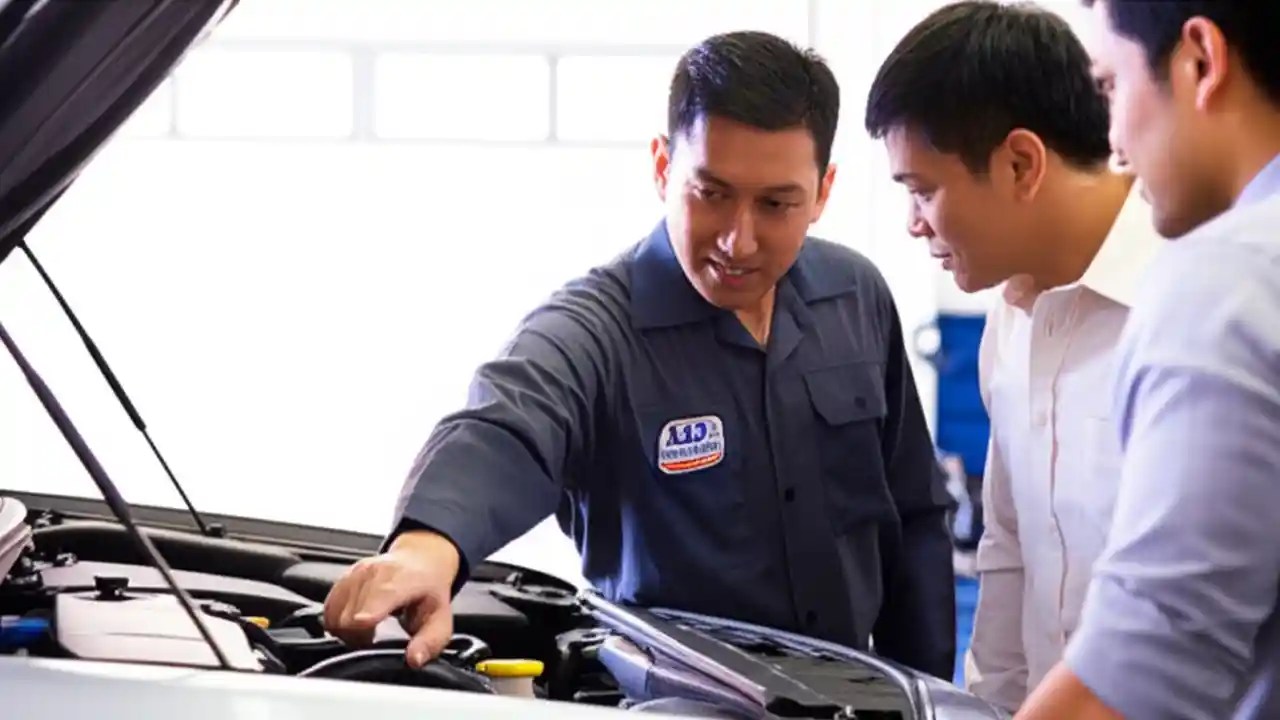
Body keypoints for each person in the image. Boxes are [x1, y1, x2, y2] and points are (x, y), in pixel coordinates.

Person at [322, 30, 957, 679]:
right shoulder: (598, 330)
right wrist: (428, 548)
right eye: (711, 193)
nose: (738, 241)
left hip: (856, 699)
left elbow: (914, 518)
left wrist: (930, 693)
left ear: (821, 193)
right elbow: (508, 424)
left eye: (775, 204)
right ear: (662, 167)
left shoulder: (855, 297)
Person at [863, 1, 1162, 711]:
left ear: (1021, 163)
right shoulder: (1011, 324)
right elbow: (1010, 554)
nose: (913, 225)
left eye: (923, 191)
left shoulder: (1189, 304)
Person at [1013, 1, 1280, 718]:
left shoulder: (1230, 277)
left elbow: (1145, 673)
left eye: (1110, 86)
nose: (1115, 142)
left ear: (1200, 60)